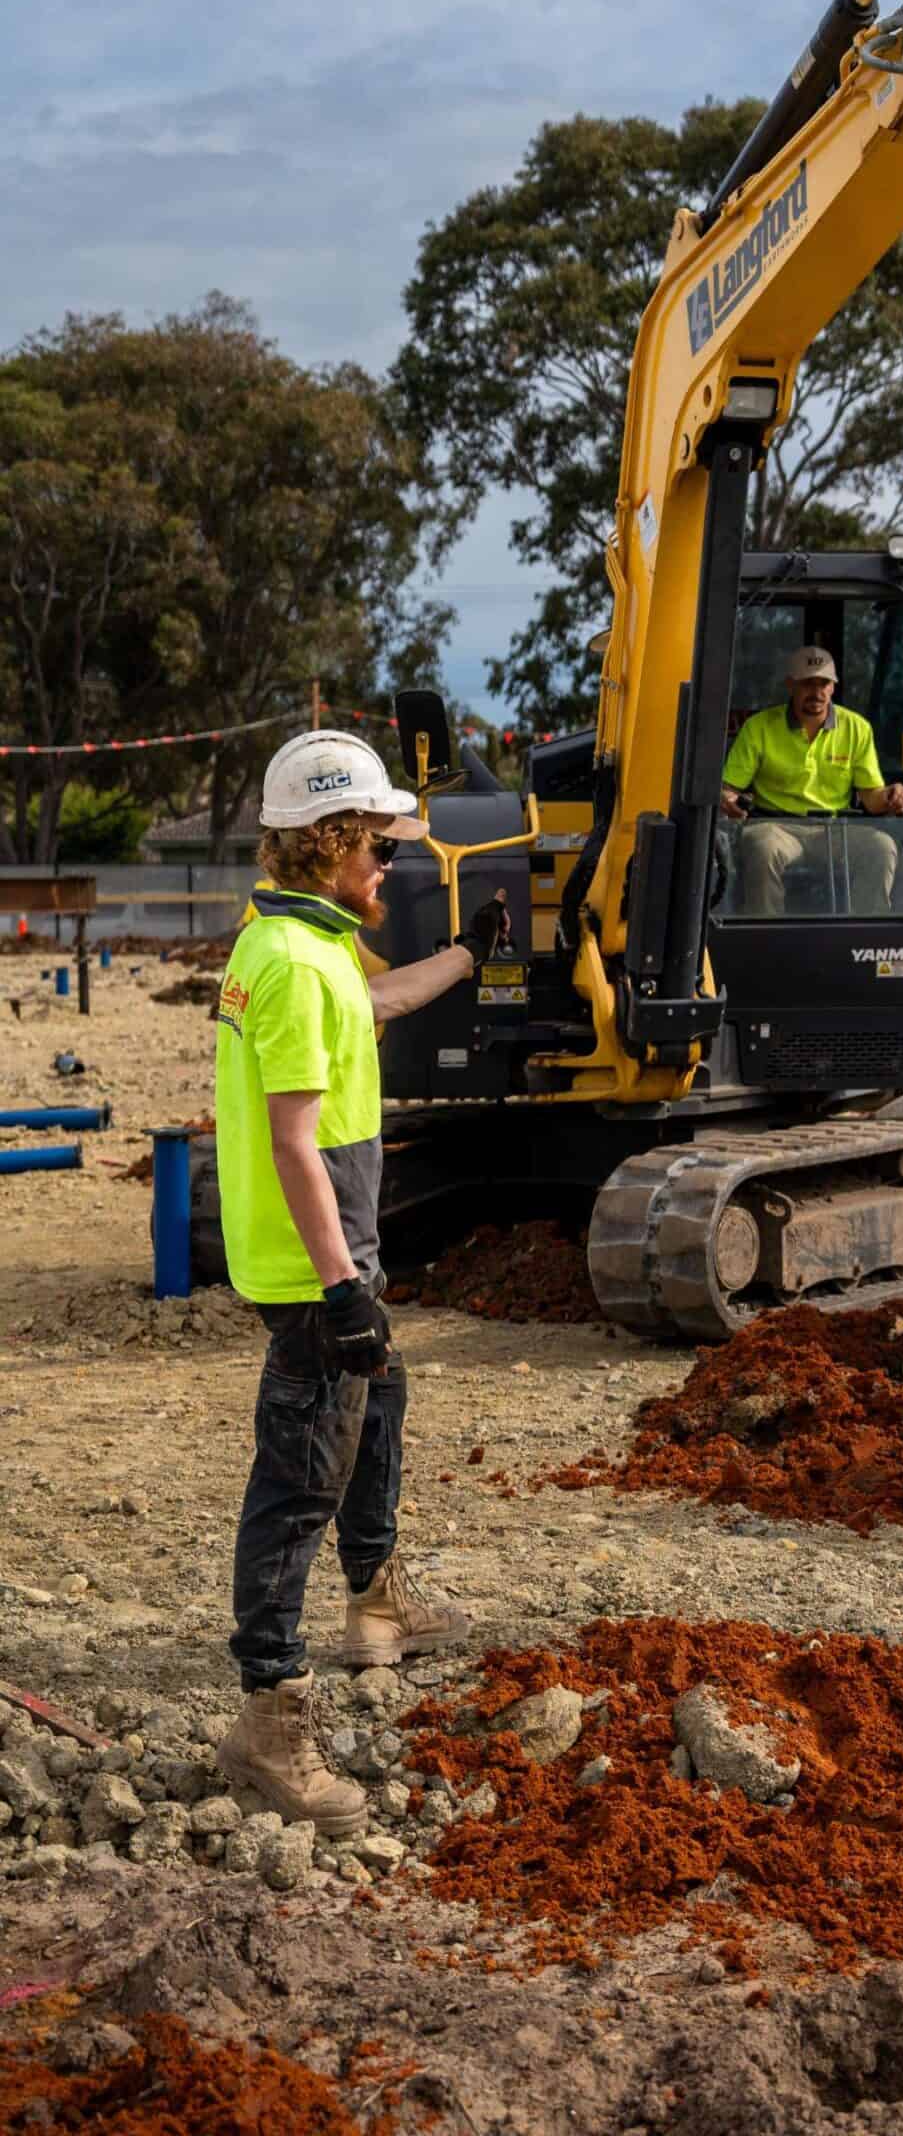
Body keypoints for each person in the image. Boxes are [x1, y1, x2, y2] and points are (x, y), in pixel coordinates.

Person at [213, 729, 510, 1835]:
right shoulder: (294, 964)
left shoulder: (300, 941)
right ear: (331, 839)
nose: (392, 862)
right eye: (379, 844)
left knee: (378, 1404)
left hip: (329, 1248)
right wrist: (342, 1291)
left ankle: (375, 1603)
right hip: (310, 1260)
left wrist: (466, 962)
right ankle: (267, 1714)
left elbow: (370, 1011)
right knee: (300, 1473)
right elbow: (295, 1140)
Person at [719, 645, 903, 916]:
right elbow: (729, 788)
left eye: (824, 683)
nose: (817, 692)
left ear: (833, 686)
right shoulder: (759, 728)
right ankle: (767, 940)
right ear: (791, 685)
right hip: (776, 826)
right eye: (808, 683)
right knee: (762, 847)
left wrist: (892, 795)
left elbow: (872, 798)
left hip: (834, 830)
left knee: (881, 847)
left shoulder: (857, 728)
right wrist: (726, 798)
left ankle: (865, 939)